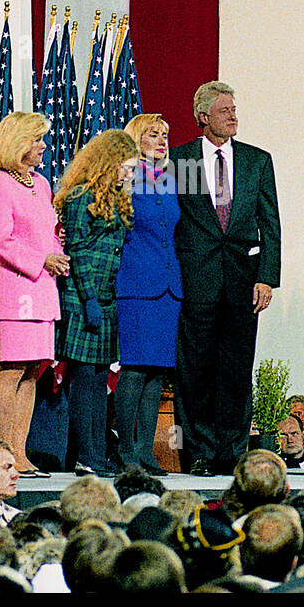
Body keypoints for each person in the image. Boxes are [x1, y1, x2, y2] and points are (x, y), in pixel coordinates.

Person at [171, 81, 281, 475]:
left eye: (234, 109)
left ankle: (233, 453)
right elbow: (174, 222)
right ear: (203, 117)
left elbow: (270, 223)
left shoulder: (257, 161)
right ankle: (198, 452)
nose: (233, 116)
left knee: (236, 370)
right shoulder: (180, 161)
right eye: (224, 111)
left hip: (243, 282)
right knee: (195, 371)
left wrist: (267, 276)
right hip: (194, 281)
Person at [0, 111, 67, 476]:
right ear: (18, 143)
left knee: (33, 371)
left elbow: (46, 231)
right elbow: (1, 239)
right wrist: (42, 258)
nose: (43, 146)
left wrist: (57, 252)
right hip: (16, 288)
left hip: (44, 287)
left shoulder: (42, 184)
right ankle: (3, 453)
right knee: (12, 369)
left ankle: (21, 451)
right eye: (37, 140)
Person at [53, 130, 139, 477]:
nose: (130, 175)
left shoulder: (118, 200)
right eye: (127, 168)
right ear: (110, 163)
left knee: (100, 380)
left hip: (108, 300)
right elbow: (80, 251)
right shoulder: (79, 198)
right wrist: (90, 300)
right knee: (84, 380)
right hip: (82, 299)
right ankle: (86, 455)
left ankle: (99, 454)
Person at [115, 113, 182, 476]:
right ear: (136, 139)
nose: (161, 140)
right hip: (137, 284)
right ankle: (125, 449)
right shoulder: (125, 177)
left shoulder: (171, 180)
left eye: (165, 134)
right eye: (153, 134)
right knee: (136, 369)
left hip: (169, 288)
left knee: (157, 372)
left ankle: (145, 452)